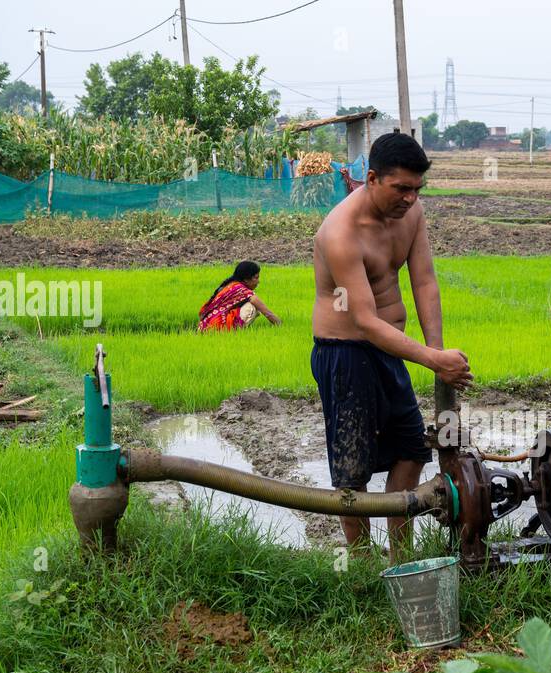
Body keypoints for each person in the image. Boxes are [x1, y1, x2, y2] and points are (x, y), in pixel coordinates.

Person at [310, 133, 473, 551]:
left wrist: (437, 353)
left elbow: (424, 280)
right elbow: (364, 320)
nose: (409, 198)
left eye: (417, 189)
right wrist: (434, 360)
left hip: (389, 351)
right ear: (372, 179)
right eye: (401, 188)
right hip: (346, 353)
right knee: (353, 469)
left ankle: (402, 554)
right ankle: (361, 559)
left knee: (410, 450)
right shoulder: (341, 232)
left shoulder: (411, 215)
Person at [198, 261, 283, 332]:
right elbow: (267, 313)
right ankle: (235, 332)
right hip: (216, 327)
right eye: (256, 278)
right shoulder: (241, 289)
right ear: (246, 279)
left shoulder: (231, 285)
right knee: (252, 307)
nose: (258, 281)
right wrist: (280, 325)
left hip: (206, 325)